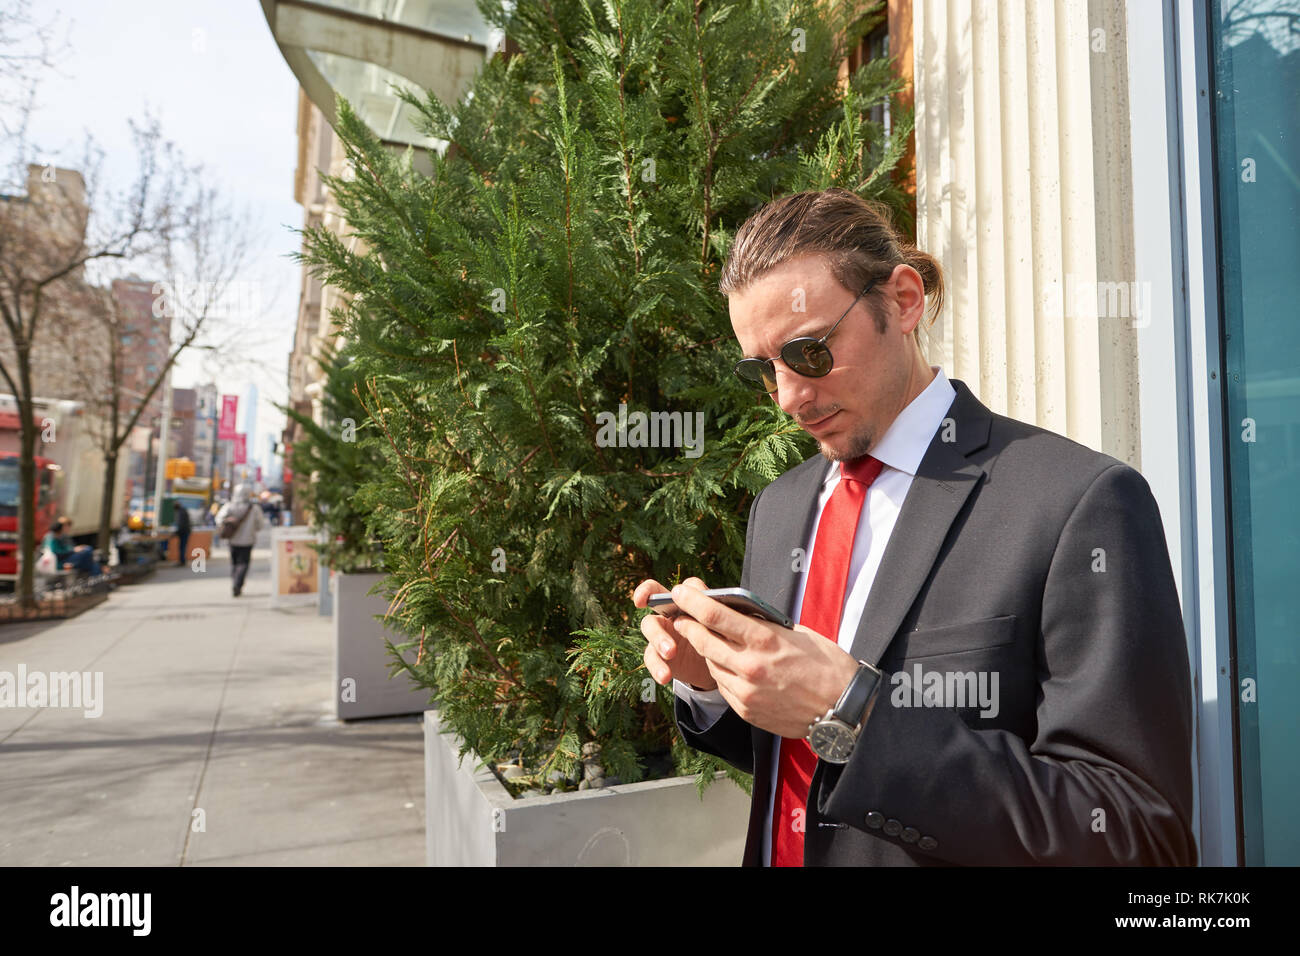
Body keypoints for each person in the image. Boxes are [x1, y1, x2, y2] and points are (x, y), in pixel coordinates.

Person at [634, 188, 1196, 867]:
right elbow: (805, 776)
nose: (788, 398)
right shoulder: (780, 508)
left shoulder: (1079, 505)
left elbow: (1136, 835)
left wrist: (851, 711)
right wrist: (713, 682)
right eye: (764, 369)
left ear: (902, 301)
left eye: (809, 353)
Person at [215, 484, 265, 597]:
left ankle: (235, 582)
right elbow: (260, 525)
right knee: (244, 563)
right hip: (248, 540)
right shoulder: (254, 508)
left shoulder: (229, 506)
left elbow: (219, 519)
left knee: (234, 562)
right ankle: (238, 584)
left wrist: (228, 522)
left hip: (233, 540)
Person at [173, 498, 191, 567]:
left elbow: (182, 524)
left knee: (182, 547)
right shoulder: (182, 511)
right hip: (184, 531)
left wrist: (177, 532)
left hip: (184, 532)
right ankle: (182, 560)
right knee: (182, 547)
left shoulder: (181, 512)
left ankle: (182, 561)